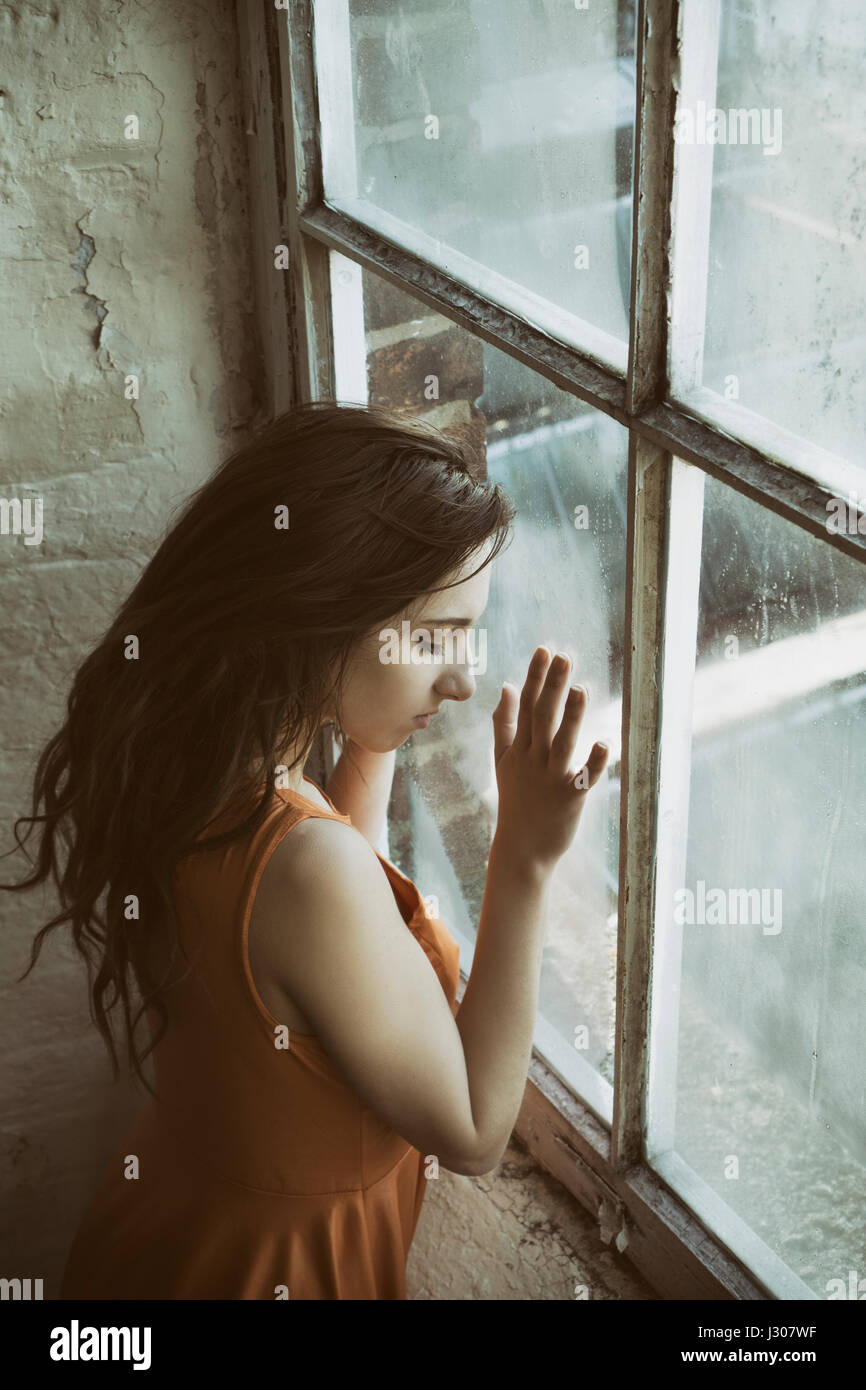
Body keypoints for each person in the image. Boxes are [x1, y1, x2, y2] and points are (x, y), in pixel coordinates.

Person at [2, 399, 609, 1299]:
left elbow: (335, 921)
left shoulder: (194, 763)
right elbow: (477, 1132)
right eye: (437, 636)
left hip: (166, 1235)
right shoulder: (305, 867)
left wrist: (374, 731)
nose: (462, 678)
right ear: (326, 613)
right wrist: (524, 857)